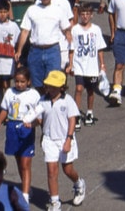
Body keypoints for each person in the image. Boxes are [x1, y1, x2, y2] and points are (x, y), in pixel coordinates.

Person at [22, 70, 85, 211]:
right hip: (49, 140)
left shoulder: (68, 101)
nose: (50, 89)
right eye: (49, 85)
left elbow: (72, 120)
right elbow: (39, 120)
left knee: (67, 169)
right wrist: (30, 124)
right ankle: (55, 202)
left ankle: (79, 183)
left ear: (62, 87)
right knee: (51, 171)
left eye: (53, 86)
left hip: (64, 139)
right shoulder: (43, 100)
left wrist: (69, 139)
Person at [0, 67, 39, 204]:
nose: (19, 84)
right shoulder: (9, 92)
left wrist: (33, 124)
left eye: (22, 81)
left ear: (29, 81)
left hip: (26, 128)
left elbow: (39, 115)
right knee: (19, 161)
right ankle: (26, 186)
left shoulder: (34, 95)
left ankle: (24, 195)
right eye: (17, 81)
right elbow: (5, 109)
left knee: (26, 163)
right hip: (12, 127)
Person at [16, 0, 73, 89]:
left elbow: (67, 30)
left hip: (52, 50)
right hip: (35, 51)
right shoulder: (32, 10)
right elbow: (24, 31)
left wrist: (71, 51)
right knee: (36, 84)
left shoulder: (58, 10)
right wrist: (19, 50)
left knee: (54, 83)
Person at [70, 4, 106, 126]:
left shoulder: (96, 30)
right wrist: (70, 64)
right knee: (79, 89)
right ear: (79, 15)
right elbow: (72, 48)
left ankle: (90, 112)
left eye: (87, 14)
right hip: (79, 64)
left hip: (92, 66)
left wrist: (102, 64)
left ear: (91, 15)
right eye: (82, 14)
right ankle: (76, 114)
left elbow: (99, 48)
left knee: (91, 90)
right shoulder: (75, 29)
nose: (85, 17)